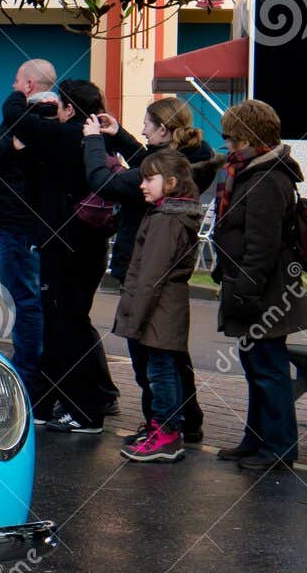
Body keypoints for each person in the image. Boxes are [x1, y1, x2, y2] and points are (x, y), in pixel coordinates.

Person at [82, 97, 213, 446]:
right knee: (167, 357)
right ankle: (181, 421)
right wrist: (120, 135)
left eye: (147, 125)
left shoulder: (163, 189)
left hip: (145, 272)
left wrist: (95, 140)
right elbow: (153, 165)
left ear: (165, 130)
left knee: (150, 360)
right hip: (153, 274)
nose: (142, 130)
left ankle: (163, 425)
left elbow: (105, 182)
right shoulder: (187, 163)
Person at [13, 79, 135, 433]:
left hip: (65, 244)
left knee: (65, 326)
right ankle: (54, 400)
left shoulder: (64, 137)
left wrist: (22, 94)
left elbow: (18, 120)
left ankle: (85, 409)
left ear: (67, 108)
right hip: (90, 243)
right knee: (68, 322)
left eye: (60, 105)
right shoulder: (101, 138)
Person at [210, 99, 307, 472]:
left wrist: (246, 293)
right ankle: (256, 440)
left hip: (265, 292)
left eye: (231, 137)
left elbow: (261, 246)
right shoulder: (253, 171)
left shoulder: (266, 177)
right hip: (254, 287)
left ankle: (280, 448)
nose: (227, 145)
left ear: (248, 135)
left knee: (268, 369)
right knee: (256, 367)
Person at [108, 149, 204, 463]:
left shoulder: (166, 220)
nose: (142, 185)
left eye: (149, 179)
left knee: (160, 372)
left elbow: (151, 273)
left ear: (172, 181)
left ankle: (166, 433)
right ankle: (163, 429)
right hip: (164, 308)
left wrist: (136, 315)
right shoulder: (169, 215)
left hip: (158, 310)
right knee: (162, 370)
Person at [0, 58, 55, 398]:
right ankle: (35, 369)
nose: (13, 86)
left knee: (23, 300)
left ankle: (28, 375)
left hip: (19, 222)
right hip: (23, 220)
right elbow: (1, 152)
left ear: (30, 85)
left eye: (17, 80)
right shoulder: (43, 115)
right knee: (30, 299)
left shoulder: (30, 118)